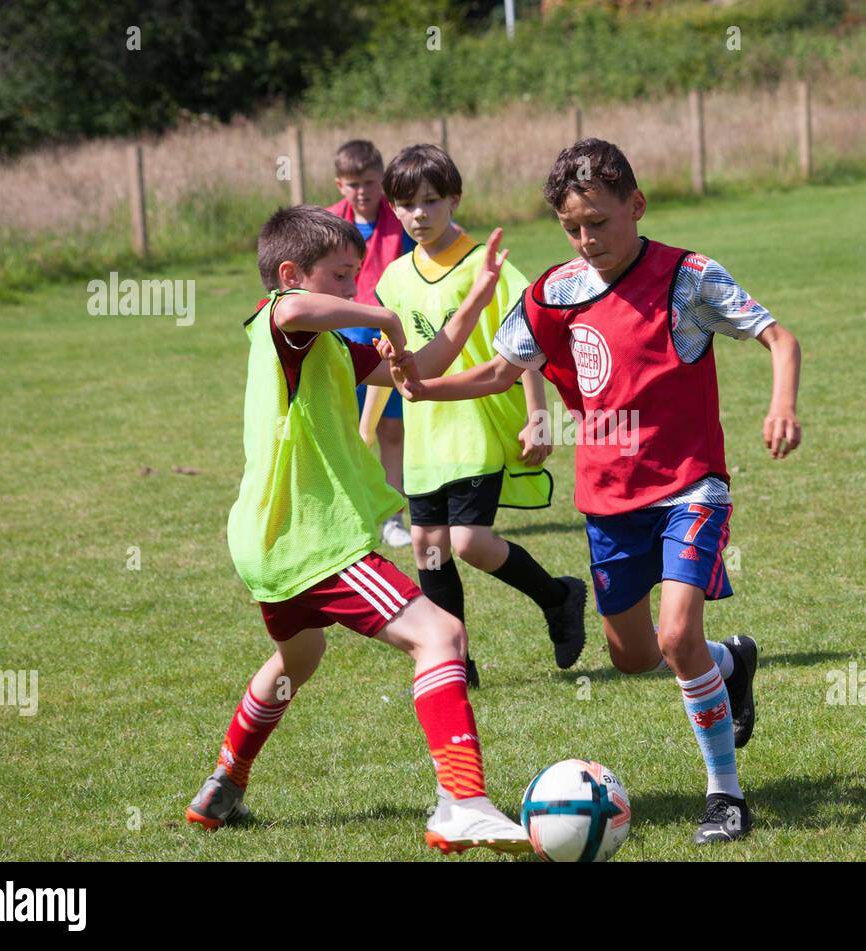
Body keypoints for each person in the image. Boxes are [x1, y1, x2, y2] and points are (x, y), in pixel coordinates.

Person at [391, 138, 802, 844]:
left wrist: (781, 403)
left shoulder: (689, 277)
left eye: (600, 223)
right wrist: (427, 386)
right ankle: (732, 661)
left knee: (677, 634)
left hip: (688, 486)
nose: (587, 239)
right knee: (634, 655)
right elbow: (500, 368)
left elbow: (780, 337)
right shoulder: (554, 291)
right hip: (609, 498)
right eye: (572, 227)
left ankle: (725, 796)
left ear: (636, 206)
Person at [186, 204, 529, 854]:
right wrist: (385, 313)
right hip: (314, 540)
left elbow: (421, 373)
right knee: (441, 633)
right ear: (292, 273)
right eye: (342, 277)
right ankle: (462, 801)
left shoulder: (337, 346)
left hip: (269, 547)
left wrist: (481, 295)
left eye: (357, 276)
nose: (353, 290)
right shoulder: (282, 325)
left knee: (298, 658)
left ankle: (224, 780)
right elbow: (291, 308)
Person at [376, 144, 585, 688]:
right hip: (426, 431)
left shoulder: (484, 265)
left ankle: (558, 595)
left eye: (430, 201)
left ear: (454, 198)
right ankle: (455, 664)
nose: (419, 214)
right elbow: (392, 363)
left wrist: (538, 413)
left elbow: (528, 340)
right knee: (429, 552)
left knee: (468, 542)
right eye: (406, 204)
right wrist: (368, 419)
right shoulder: (393, 279)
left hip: (480, 420)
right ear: (393, 209)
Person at [326, 139, 413, 546]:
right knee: (344, 434)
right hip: (338, 346)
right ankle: (350, 515)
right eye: (353, 183)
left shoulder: (404, 222)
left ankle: (393, 517)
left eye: (370, 182)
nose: (362, 191)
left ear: (383, 181)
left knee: (391, 431)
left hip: (384, 347)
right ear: (340, 184)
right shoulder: (325, 226)